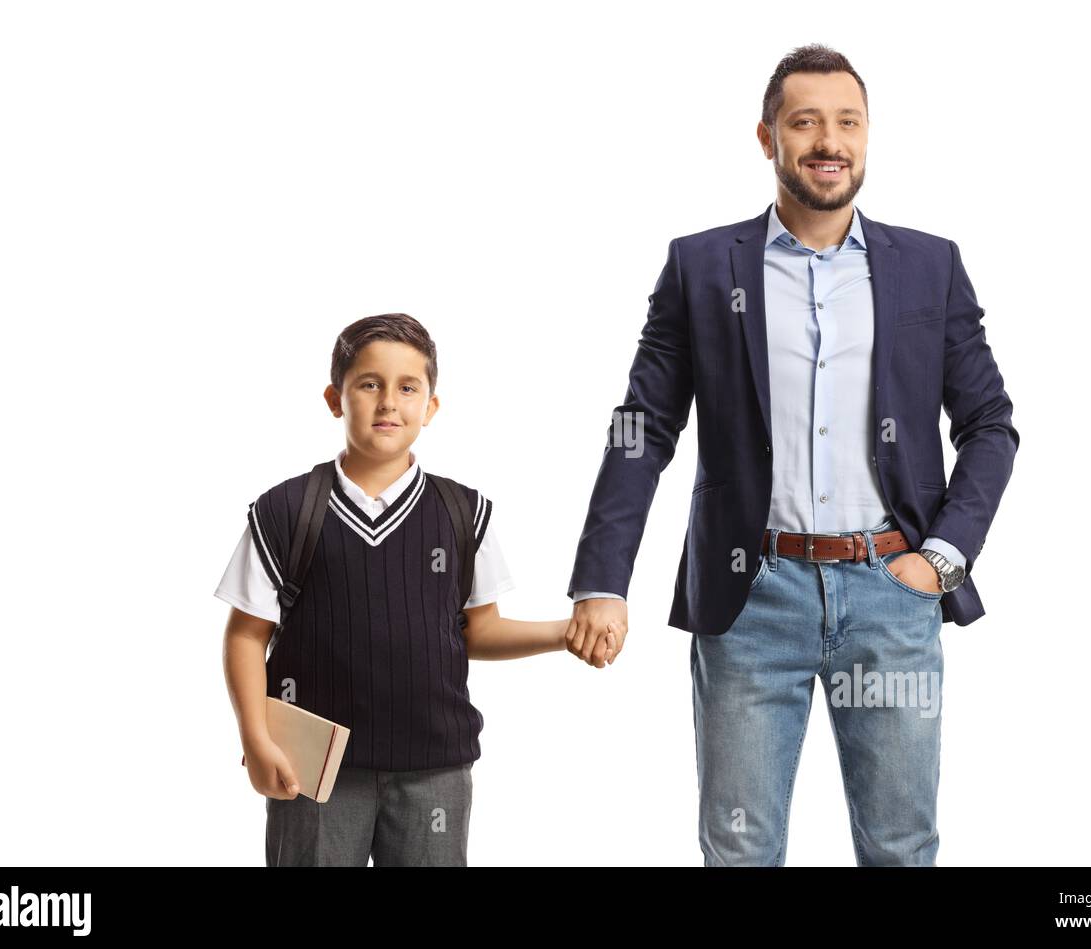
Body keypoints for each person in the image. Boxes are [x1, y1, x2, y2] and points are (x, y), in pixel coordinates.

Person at [565, 45, 1019, 865]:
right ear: (767, 135)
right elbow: (640, 429)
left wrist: (942, 560)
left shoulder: (929, 266)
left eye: (847, 122)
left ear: (869, 136)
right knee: (739, 852)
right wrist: (603, 578)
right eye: (804, 121)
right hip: (751, 602)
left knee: (901, 847)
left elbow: (989, 423)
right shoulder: (702, 266)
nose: (827, 140)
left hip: (893, 595)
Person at [215, 313, 613, 865]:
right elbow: (245, 637)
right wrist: (256, 739)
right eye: (369, 384)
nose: (388, 403)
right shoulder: (285, 510)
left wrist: (566, 633)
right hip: (313, 770)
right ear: (336, 398)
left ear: (431, 407)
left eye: (408, 388)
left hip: (435, 770)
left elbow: (481, 630)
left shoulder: (462, 512)